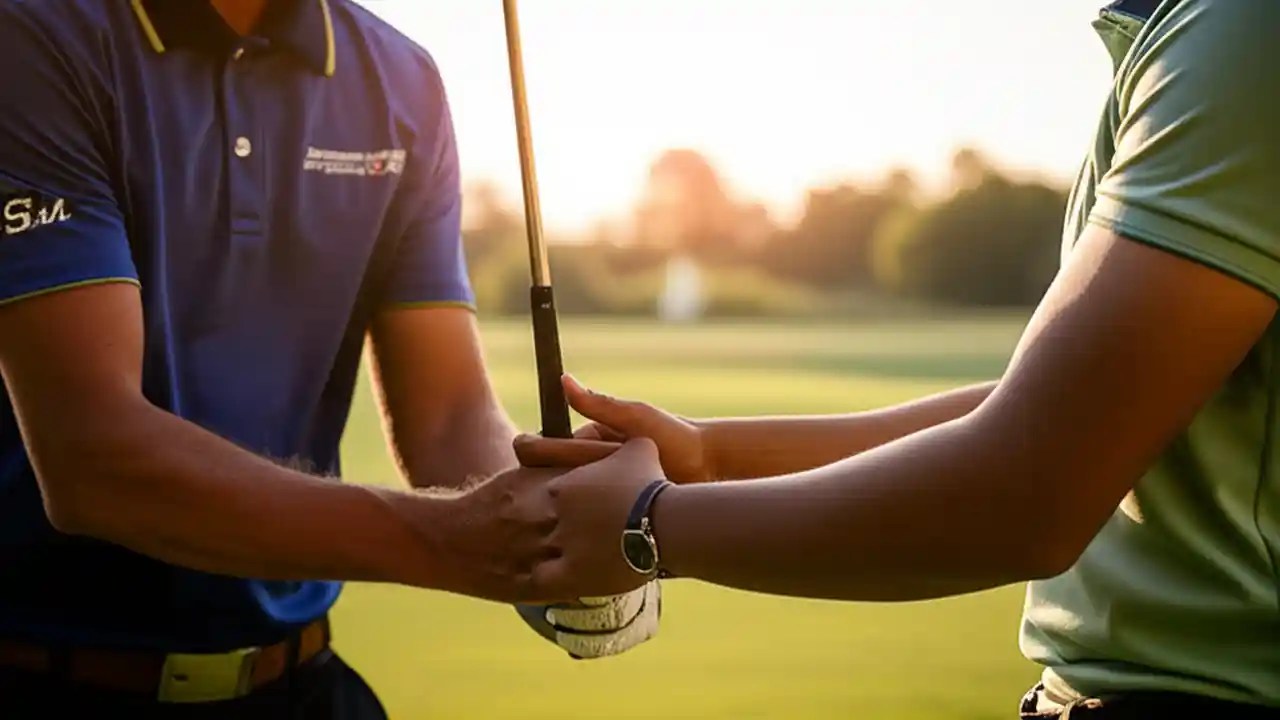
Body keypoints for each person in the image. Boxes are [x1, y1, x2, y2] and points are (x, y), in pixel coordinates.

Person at [514, 1, 1280, 717]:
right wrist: (714, 458)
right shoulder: (1202, 30)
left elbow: (1027, 494)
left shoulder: (1243, 30)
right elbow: (1091, 409)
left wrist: (648, 526)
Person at [0, 1, 656, 717]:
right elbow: (90, 459)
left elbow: (448, 417)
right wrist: (450, 541)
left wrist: (560, 512)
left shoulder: (401, 76)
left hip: (303, 683)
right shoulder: (33, 32)